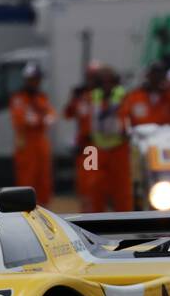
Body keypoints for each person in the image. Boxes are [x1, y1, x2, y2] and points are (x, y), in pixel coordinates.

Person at [9, 61, 56, 205]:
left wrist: (40, 118)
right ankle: (25, 208)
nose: (35, 83)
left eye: (37, 79)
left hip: (40, 142)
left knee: (44, 179)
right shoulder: (18, 98)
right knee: (26, 178)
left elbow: (51, 116)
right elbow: (21, 120)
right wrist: (39, 119)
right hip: (26, 143)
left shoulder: (42, 97)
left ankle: (45, 207)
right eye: (32, 80)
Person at [89, 66, 131, 211]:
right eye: (103, 82)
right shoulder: (93, 96)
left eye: (110, 82)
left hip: (119, 148)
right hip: (94, 149)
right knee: (94, 186)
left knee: (122, 187)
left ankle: (124, 219)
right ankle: (94, 219)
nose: (106, 85)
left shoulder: (122, 96)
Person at [64, 61, 101, 211]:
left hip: (97, 144)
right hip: (86, 145)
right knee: (86, 181)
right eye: (90, 76)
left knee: (94, 181)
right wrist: (74, 98)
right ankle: (88, 209)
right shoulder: (82, 96)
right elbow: (68, 113)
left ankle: (94, 208)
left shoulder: (100, 96)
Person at [119, 61, 168, 129]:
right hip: (138, 136)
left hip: (162, 136)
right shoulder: (134, 95)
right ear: (148, 75)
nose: (157, 76)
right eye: (154, 73)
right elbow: (123, 115)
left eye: (159, 73)